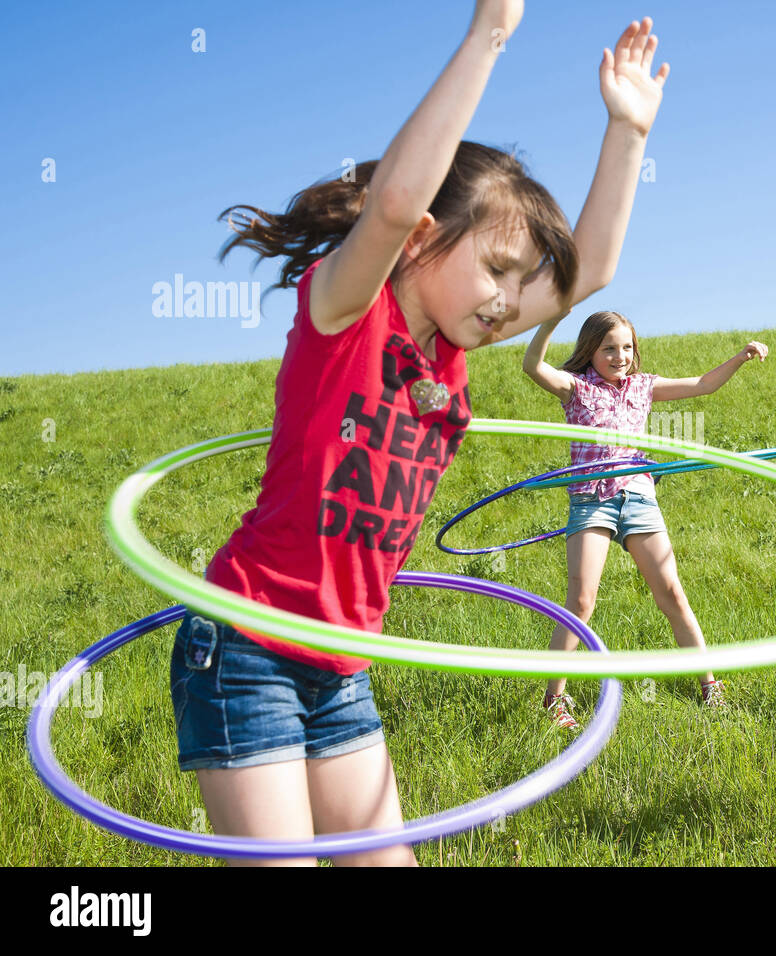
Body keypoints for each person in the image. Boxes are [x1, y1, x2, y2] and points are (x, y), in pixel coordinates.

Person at [171, 3, 670, 865]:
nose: (511, 301)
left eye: (523, 284)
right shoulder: (346, 316)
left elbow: (593, 270)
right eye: (498, 270)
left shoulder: (455, 349)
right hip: (247, 644)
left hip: (340, 663)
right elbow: (398, 202)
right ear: (425, 244)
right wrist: (490, 36)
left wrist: (627, 129)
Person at [522, 309, 768, 729]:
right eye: (609, 348)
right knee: (581, 602)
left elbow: (703, 385)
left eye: (627, 347)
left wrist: (741, 357)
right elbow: (532, 366)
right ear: (590, 350)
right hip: (592, 499)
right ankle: (553, 700)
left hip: (637, 495)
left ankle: (710, 686)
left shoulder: (643, 387)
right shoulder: (576, 390)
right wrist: (549, 321)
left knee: (671, 592)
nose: (620, 356)